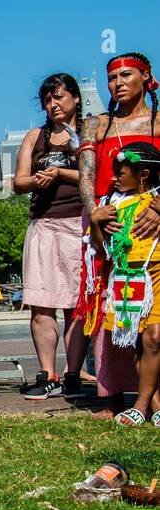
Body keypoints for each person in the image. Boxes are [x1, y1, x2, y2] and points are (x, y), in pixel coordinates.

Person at [77, 52, 160, 413]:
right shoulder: (96, 124)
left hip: (154, 220)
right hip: (106, 223)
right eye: (113, 78)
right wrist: (95, 212)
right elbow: (86, 175)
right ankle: (110, 394)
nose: (118, 83)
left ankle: (152, 398)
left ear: (147, 77)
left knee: (153, 318)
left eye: (127, 75)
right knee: (110, 308)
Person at [14, 73, 88, 400]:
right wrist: (37, 181)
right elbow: (18, 182)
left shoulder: (89, 131)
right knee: (41, 305)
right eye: (47, 99)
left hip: (79, 223)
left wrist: (60, 173)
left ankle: (73, 375)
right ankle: (47, 374)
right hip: (42, 223)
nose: (53, 104)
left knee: (76, 305)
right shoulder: (35, 136)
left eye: (59, 97)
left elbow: (97, 175)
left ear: (75, 98)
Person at [87, 143, 160, 426]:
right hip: (126, 277)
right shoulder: (111, 204)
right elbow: (99, 248)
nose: (114, 178)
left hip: (156, 272)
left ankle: (140, 404)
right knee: (137, 342)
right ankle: (153, 405)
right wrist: (95, 222)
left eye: (120, 173)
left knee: (154, 336)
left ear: (143, 174)